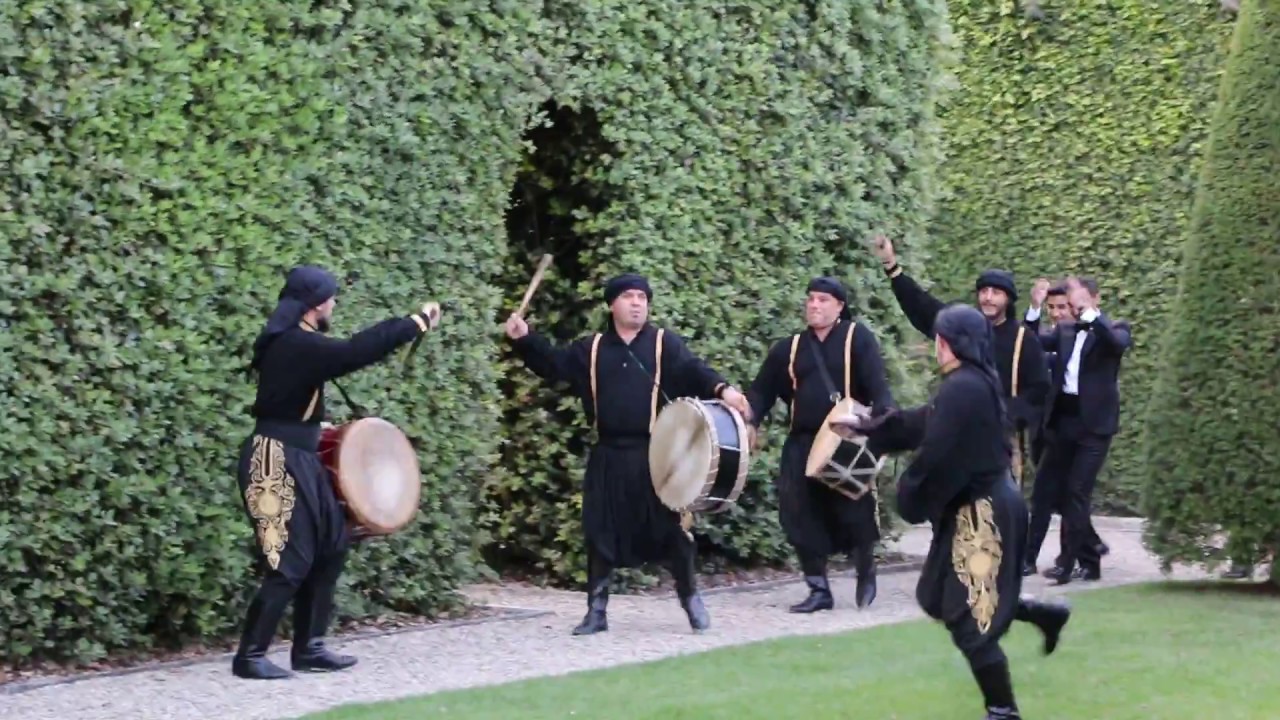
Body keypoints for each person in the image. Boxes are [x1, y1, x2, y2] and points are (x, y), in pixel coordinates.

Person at [830, 304, 1070, 720]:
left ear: (949, 342)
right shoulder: (968, 383)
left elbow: (936, 451)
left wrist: (910, 494)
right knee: (937, 596)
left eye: (938, 338)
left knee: (970, 621)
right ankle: (1040, 612)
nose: (935, 345)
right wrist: (869, 426)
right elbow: (928, 421)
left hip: (985, 515)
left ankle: (1003, 711)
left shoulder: (965, 388)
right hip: (976, 507)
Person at [503, 273, 751, 635]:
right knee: (599, 530)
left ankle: (690, 598)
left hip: (655, 456)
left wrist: (724, 390)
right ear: (612, 304)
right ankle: (597, 611)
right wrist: (524, 340)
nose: (637, 303)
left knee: (671, 532)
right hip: (608, 454)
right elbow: (553, 366)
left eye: (642, 297)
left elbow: (696, 371)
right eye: (629, 296)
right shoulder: (591, 349)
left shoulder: (665, 344)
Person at [232, 265, 441, 680]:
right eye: (330, 298)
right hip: (273, 460)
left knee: (331, 547)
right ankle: (249, 656)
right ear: (314, 306)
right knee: (288, 562)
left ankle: (309, 648)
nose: (334, 304)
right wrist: (414, 323)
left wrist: (313, 430)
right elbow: (355, 351)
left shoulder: (297, 343)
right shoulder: (296, 344)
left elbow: (292, 402)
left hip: (297, 456)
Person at [742, 277, 897, 612]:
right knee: (798, 513)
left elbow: (877, 383)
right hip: (803, 441)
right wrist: (750, 420)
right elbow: (762, 390)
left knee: (853, 511)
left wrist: (883, 419)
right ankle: (818, 590)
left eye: (823, 300)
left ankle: (865, 569)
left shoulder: (857, 338)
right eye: (811, 299)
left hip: (847, 437)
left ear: (839, 306)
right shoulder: (790, 348)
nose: (814, 305)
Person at [871, 236, 1050, 491]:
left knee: (997, 514)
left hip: (999, 443)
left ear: (1008, 299)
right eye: (984, 291)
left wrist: (1005, 417)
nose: (988, 298)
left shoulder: (1024, 339)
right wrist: (892, 266)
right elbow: (921, 306)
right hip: (956, 434)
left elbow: (1038, 391)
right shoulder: (963, 328)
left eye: (996, 293)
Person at [1026, 277, 1130, 584]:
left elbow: (1115, 343)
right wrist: (1033, 307)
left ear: (1096, 298)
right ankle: (1090, 556)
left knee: (1076, 492)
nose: (1072, 306)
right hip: (1064, 422)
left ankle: (1068, 562)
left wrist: (1088, 312)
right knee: (1055, 492)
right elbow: (1030, 344)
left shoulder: (1115, 329)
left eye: (1078, 301)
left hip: (1095, 427)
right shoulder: (1066, 332)